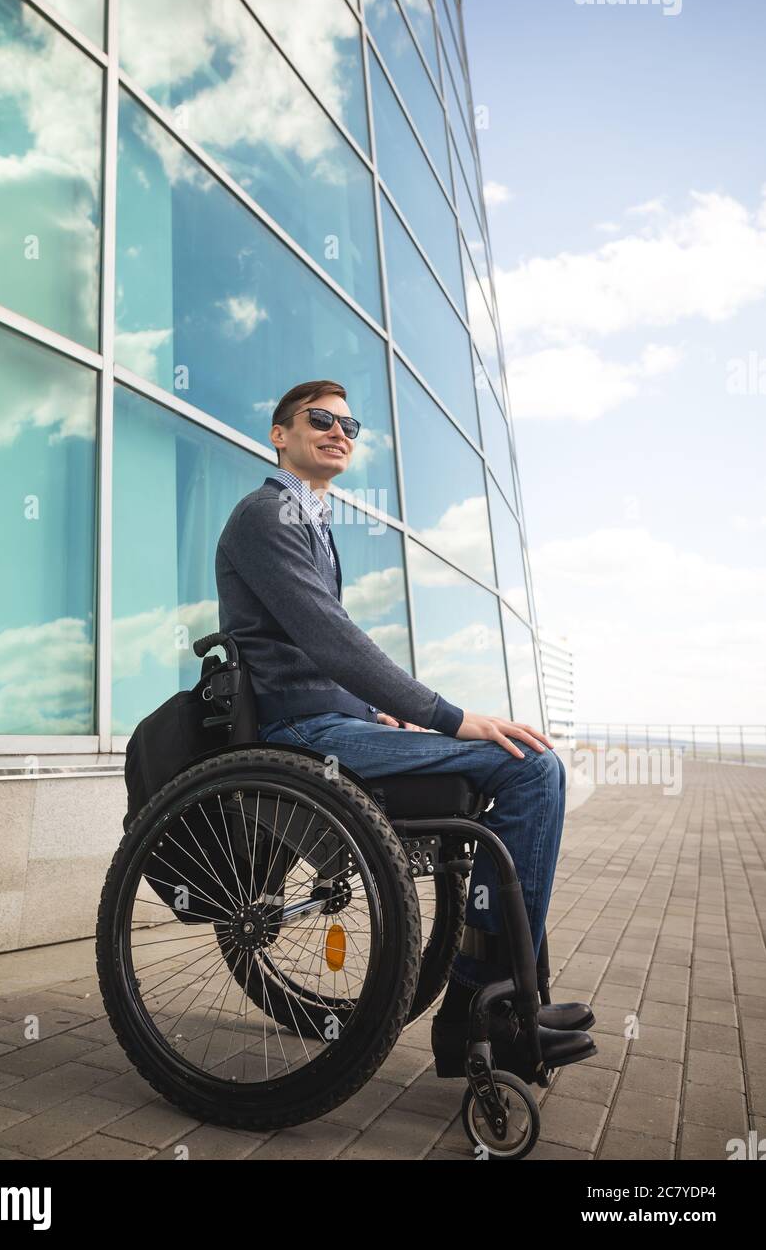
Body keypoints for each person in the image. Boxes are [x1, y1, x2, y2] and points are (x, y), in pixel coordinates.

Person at [214, 378, 597, 1079]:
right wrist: (447, 716)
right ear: (280, 435)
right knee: (527, 767)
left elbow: (313, 654)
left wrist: (378, 713)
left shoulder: (311, 524)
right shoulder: (265, 517)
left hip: (328, 722)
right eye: (320, 419)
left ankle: (498, 998)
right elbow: (330, 642)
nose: (339, 431)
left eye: (350, 424)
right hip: (298, 738)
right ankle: (482, 1009)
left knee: (523, 767)